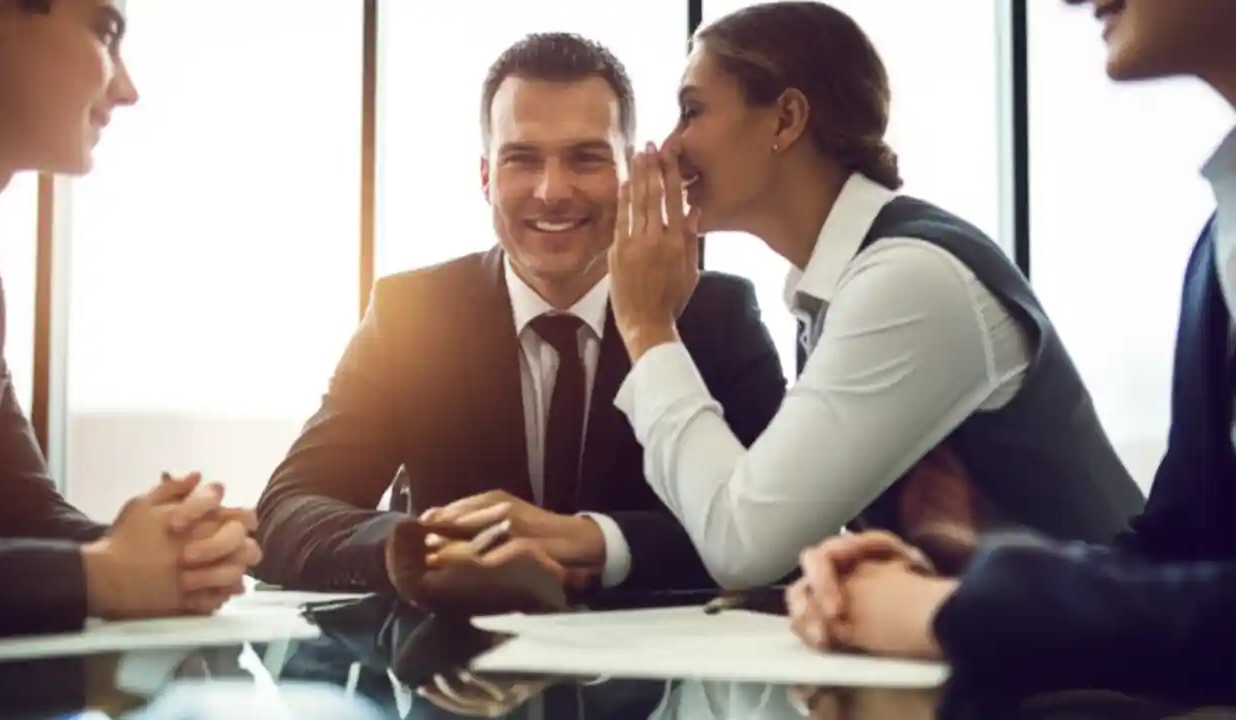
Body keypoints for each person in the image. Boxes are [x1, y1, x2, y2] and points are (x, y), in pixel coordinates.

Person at [605, 0, 1143, 590]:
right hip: (1018, 657)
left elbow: (743, 543)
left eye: (691, 111)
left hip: (1104, 671)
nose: (672, 145)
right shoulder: (842, 285)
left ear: (785, 119)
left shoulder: (909, 280)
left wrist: (648, 329)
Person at [789, 0, 1236, 702]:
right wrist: (965, 573)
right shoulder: (1217, 244)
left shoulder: (912, 270)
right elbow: (1181, 550)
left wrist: (950, 609)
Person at [253, 33, 786, 594]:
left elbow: (787, 533)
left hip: (660, 673)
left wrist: (597, 542)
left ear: (631, 173)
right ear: (486, 177)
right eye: (522, 159)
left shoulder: (718, 317)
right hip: (455, 667)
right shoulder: (412, 315)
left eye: (586, 158)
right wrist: (428, 546)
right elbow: (287, 511)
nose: (552, 191)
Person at [0, 0, 260, 636]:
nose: (127, 88)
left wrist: (176, 550)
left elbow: (21, 515)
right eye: (106, 32)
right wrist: (105, 575)